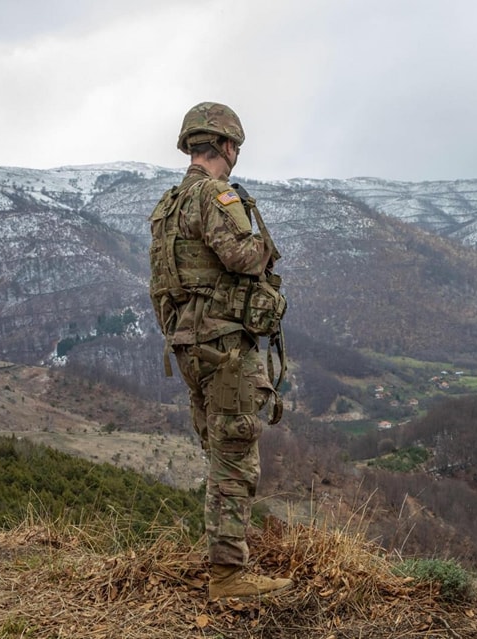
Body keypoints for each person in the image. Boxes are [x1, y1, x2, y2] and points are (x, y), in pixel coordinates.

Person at [148, 102, 291, 600]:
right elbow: (242, 256)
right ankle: (228, 576)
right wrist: (264, 247)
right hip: (224, 348)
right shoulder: (214, 195)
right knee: (234, 457)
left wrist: (182, 333)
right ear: (226, 145)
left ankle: (223, 561)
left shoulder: (167, 206)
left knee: (219, 451)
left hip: (189, 347)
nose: (235, 155)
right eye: (235, 147)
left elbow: (161, 288)